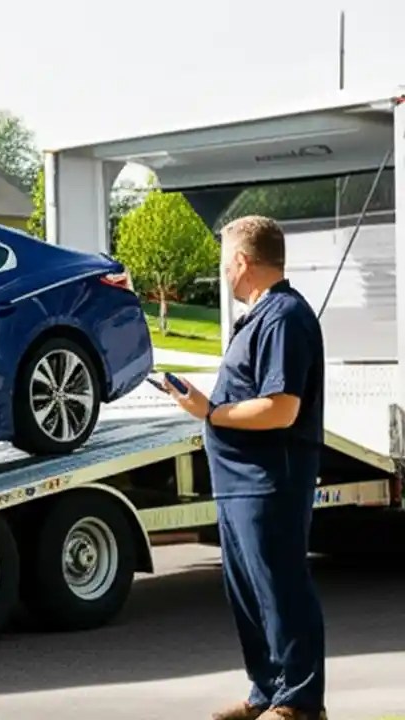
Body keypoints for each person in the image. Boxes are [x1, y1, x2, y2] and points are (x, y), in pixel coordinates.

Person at [161, 215, 327, 720]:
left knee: (280, 589)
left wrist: (209, 412)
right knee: (249, 592)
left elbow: (282, 408)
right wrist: (209, 409)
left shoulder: (283, 318)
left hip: (269, 480)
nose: (223, 273)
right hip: (238, 482)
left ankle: (299, 702)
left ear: (241, 261)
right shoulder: (259, 318)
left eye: (224, 262)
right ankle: (266, 692)